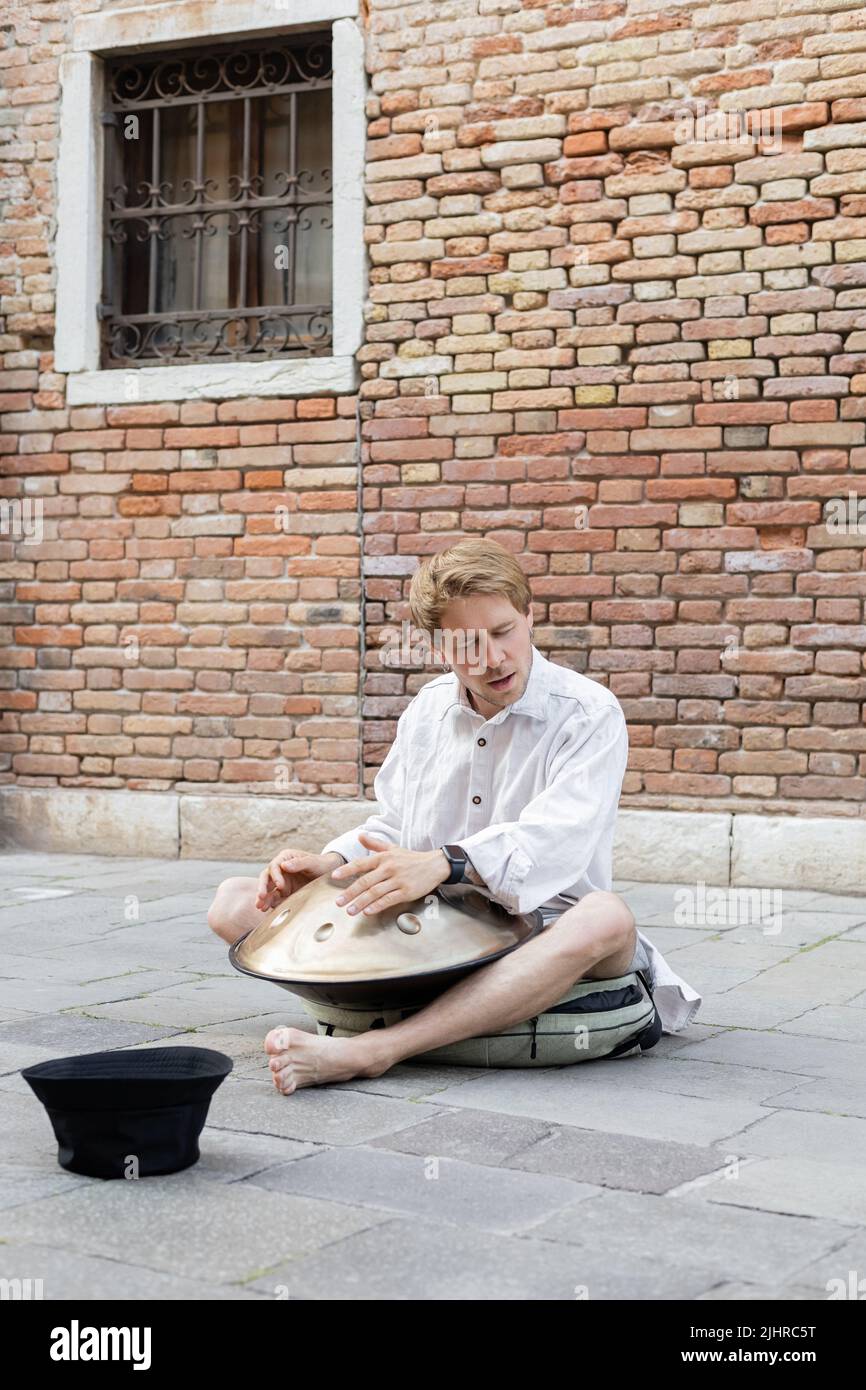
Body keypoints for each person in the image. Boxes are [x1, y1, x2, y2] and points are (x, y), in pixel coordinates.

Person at [208, 537, 701, 1094]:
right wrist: (328, 864)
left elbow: (559, 841)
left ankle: (375, 1046)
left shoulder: (588, 713)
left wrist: (449, 864)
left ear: (529, 617)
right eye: (467, 643)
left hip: (545, 930)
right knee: (233, 902)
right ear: (438, 647)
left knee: (607, 915)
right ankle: (460, 1009)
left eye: (502, 632)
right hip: (437, 930)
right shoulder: (426, 711)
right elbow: (392, 827)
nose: (490, 659)